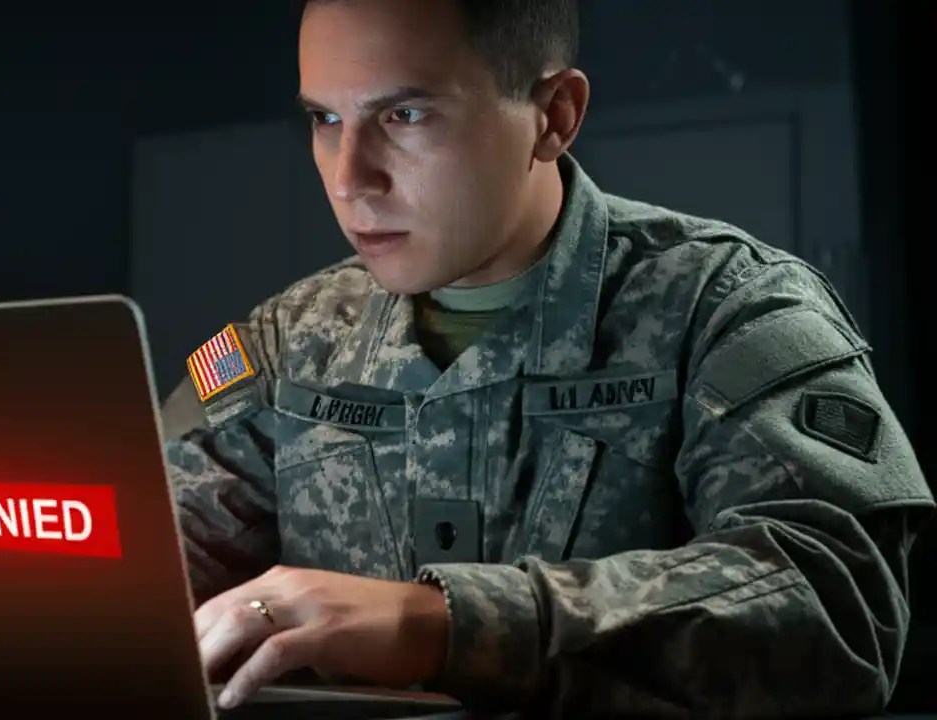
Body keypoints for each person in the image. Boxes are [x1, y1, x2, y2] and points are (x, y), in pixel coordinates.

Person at [157, 0, 935, 715]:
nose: (348, 177)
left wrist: (441, 624)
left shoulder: (729, 309)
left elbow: (836, 606)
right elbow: (141, 556)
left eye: (405, 114)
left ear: (554, 116)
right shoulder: (289, 339)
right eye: (325, 118)